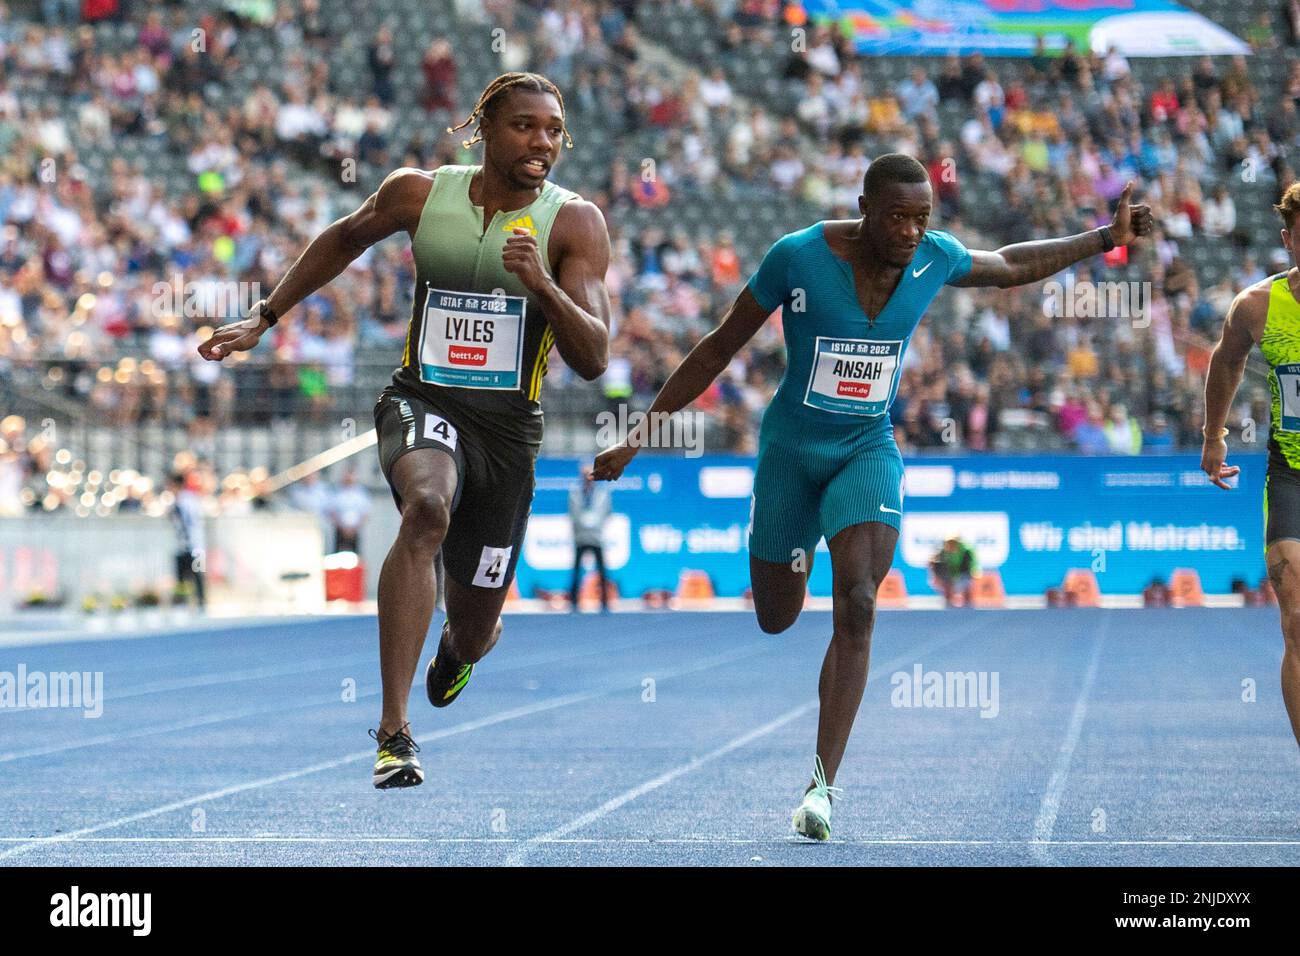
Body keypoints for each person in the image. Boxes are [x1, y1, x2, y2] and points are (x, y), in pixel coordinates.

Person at [595, 153, 1152, 840]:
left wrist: (1105, 237)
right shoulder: (797, 258)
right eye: (898, 217)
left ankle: (821, 787)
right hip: (791, 452)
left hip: (866, 447)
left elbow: (1008, 264)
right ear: (864, 208)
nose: (913, 232)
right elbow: (716, 349)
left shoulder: (934, 258)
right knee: (775, 615)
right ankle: (784, 563)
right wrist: (638, 436)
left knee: (858, 600)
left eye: (923, 219)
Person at [198, 72, 612, 789]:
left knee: (477, 627)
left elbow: (594, 358)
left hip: (508, 433)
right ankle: (394, 732)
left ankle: (456, 648)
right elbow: (345, 236)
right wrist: (265, 317)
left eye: (553, 128)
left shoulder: (574, 223)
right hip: (423, 399)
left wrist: (543, 283)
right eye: (524, 126)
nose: (542, 142)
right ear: (484, 128)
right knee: (424, 509)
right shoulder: (419, 194)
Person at [1201, 179, 1300, 754]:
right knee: (1297, 623)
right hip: (1292, 476)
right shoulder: (1258, 306)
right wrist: (1214, 436)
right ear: (1288, 240)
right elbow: (1226, 361)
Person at [568, 464, 612, 612]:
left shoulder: (602, 494)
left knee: (602, 571)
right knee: (576, 570)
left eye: (590, 475)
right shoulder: (575, 493)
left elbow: (606, 512)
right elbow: (573, 514)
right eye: (585, 475)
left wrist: (596, 524)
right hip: (580, 536)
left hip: (596, 536)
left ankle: (605, 602)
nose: (587, 479)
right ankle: (574, 602)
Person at [167, 471, 206, 611]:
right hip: (188, 545)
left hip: (193, 545)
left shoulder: (185, 502)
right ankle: (187, 603)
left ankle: (199, 603)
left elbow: (185, 522)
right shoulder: (187, 500)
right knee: (183, 576)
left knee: (196, 574)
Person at [328, 469, 371, 554]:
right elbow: (332, 512)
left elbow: (365, 514)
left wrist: (354, 528)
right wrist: (342, 528)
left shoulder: (361, 493)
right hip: (340, 530)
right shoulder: (336, 492)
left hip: (355, 530)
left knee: (356, 555)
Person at [929, 535, 977, 607]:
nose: (950, 546)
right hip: (949, 576)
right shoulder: (942, 552)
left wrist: (975, 570)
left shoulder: (966, 551)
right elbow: (932, 563)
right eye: (949, 543)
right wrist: (934, 576)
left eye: (953, 543)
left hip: (963, 574)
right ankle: (948, 606)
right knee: (947, 585)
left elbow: (973, 563)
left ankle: (968, 607)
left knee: (967, 587)